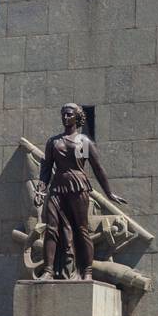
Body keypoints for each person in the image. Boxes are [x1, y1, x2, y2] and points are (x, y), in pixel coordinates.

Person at [35, 104, 126, 281]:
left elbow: (97, 168)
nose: (65, 117)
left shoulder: (83, 142)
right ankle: (48, 270)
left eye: (69, 114)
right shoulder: (54, 142)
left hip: (78, 187)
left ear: (77, 117)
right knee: (51, 228)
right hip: (57, 188)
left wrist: (109, 193)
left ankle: (87, 271)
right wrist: (41, 189)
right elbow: (46, 169)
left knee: (81, 229)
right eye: (63, 114)